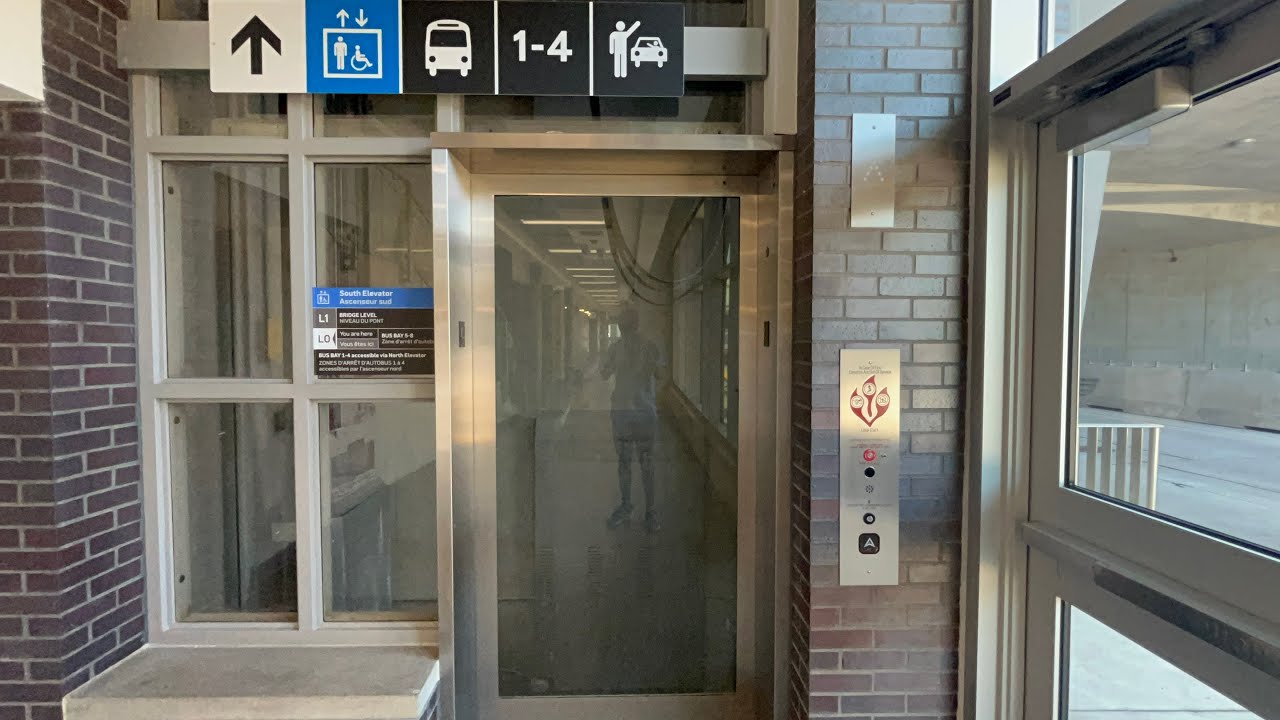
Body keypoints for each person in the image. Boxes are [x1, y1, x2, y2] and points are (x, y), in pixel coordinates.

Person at [602, 307, 661, 532]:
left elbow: (603, 374)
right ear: (637, 324)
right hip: (642, 412)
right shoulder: (650, 347)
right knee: (646, 463)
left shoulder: (617, 348)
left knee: (625, 462)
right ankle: (650, 513)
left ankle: (628, 506)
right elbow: (662, 375)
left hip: (624, 412)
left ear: (619, 326)